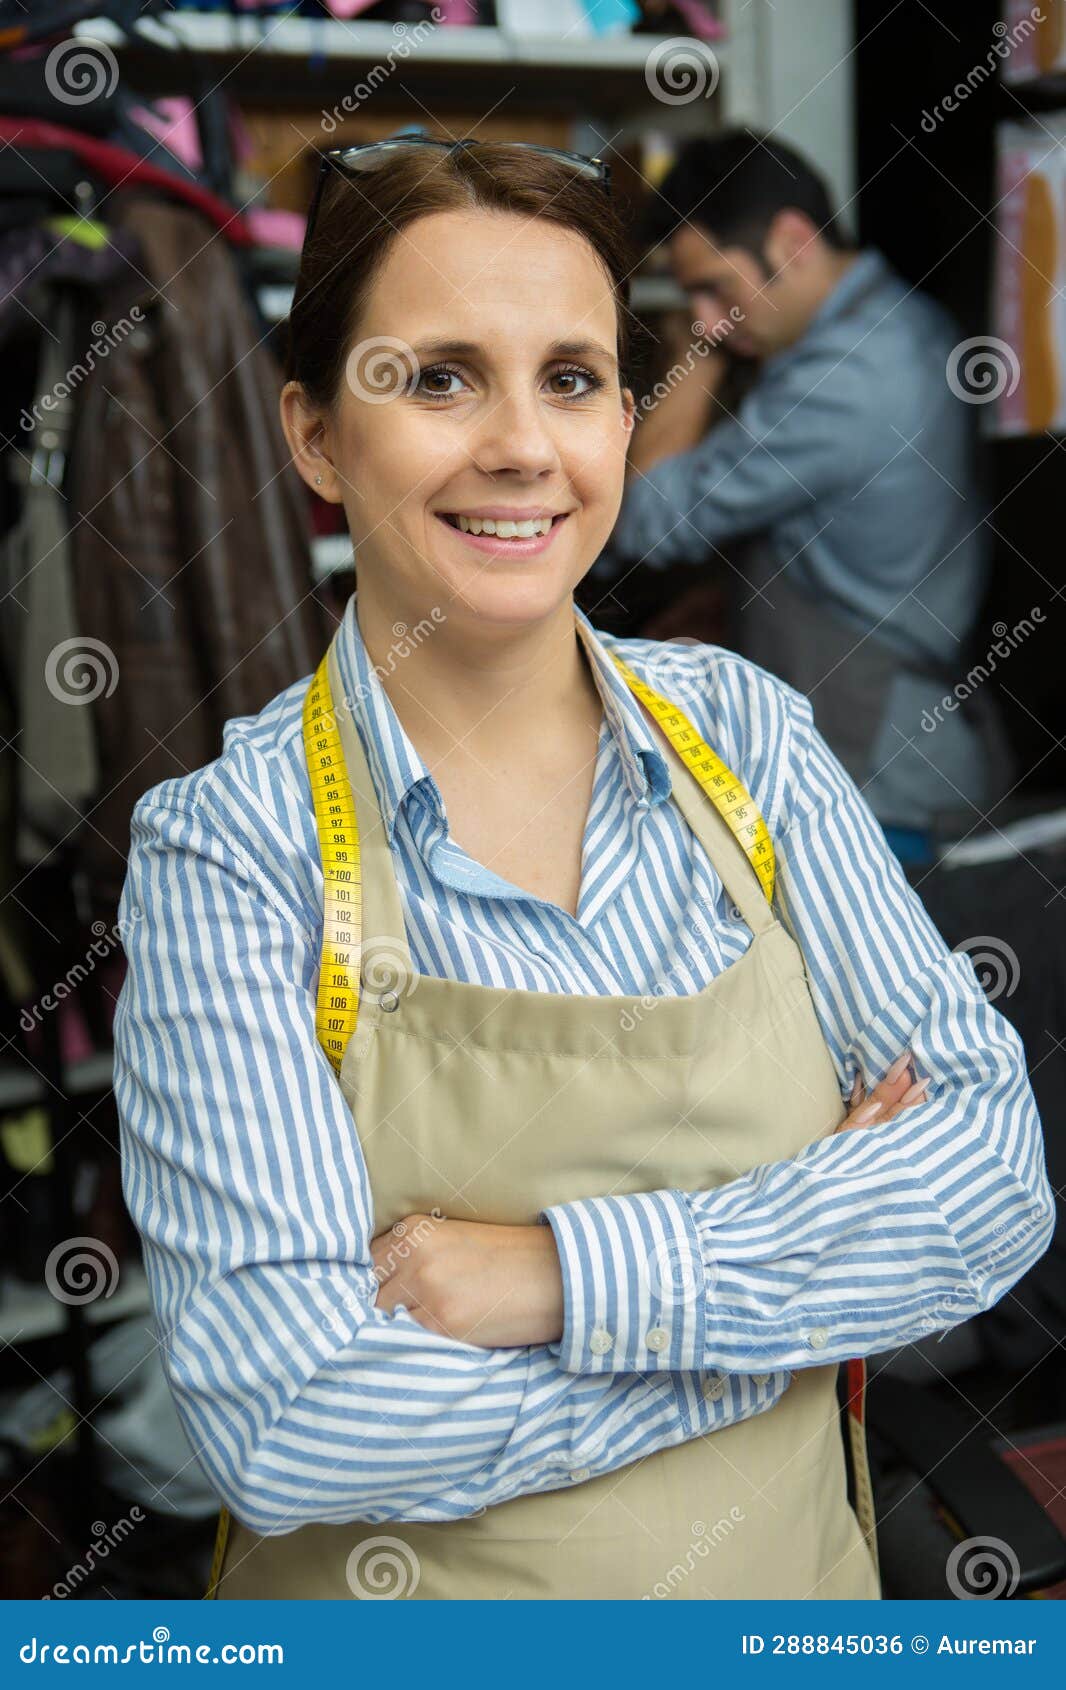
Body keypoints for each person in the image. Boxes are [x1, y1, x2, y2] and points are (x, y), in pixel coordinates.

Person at [112, 135, 1053, 1602]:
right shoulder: (232, 852)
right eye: (435, 378)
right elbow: (291, 1424)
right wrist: (790, 1326)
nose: (519, 446)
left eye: (569, 378)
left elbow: (991, 1175)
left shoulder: (748, 736)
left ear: (626, 414)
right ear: (309, 434)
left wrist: (551, 1274)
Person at [603, 129, 1015, 862]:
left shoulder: (847, 381)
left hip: (881, 782)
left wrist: (697, 355)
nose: (704, 317)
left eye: (715, 290)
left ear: (792, 240)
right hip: (878, 757)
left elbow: (637, 521)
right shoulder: (888, 331)